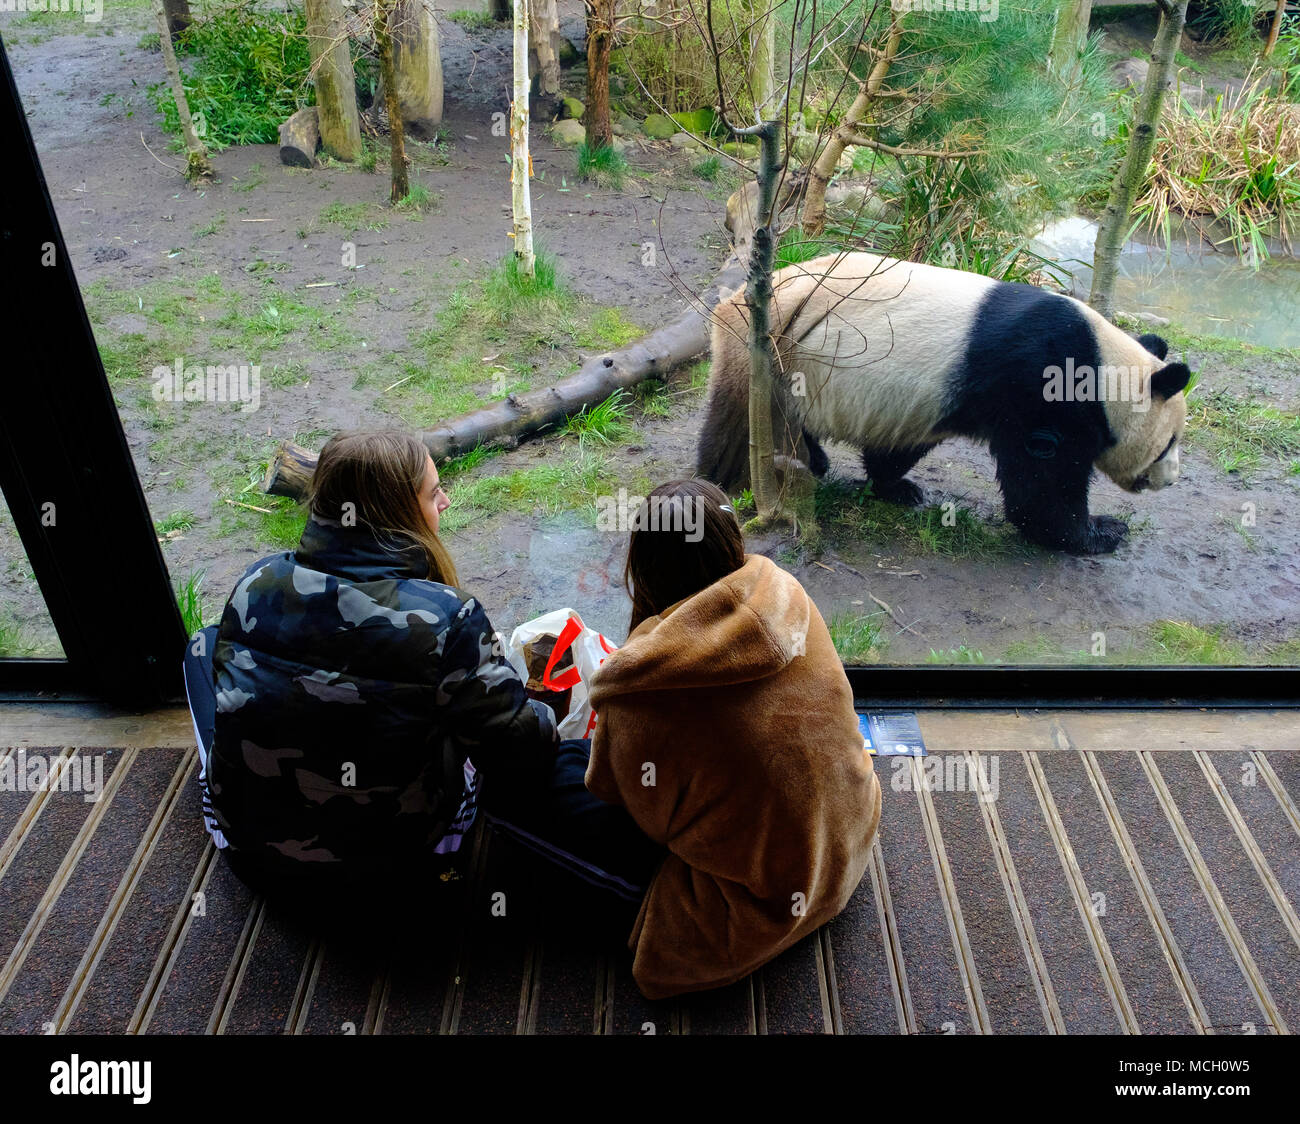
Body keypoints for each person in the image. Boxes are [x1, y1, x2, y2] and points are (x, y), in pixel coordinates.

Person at [182, 429, 660, 922]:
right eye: (434, 493)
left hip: (254, 857)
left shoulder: (256, 582)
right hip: (393, 871)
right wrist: (538, 709)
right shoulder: (447, 617)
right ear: (399, 513)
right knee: (512, 743)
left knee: (205, 646)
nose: (446, 502)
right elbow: (519, 752)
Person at [584, 479, 883, 999]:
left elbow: (630, 810)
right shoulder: (789, 599)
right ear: (732, 541)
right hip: (848, 840)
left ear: (643, 562)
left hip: (755, 908)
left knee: (550, 793)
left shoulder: (638, 694)